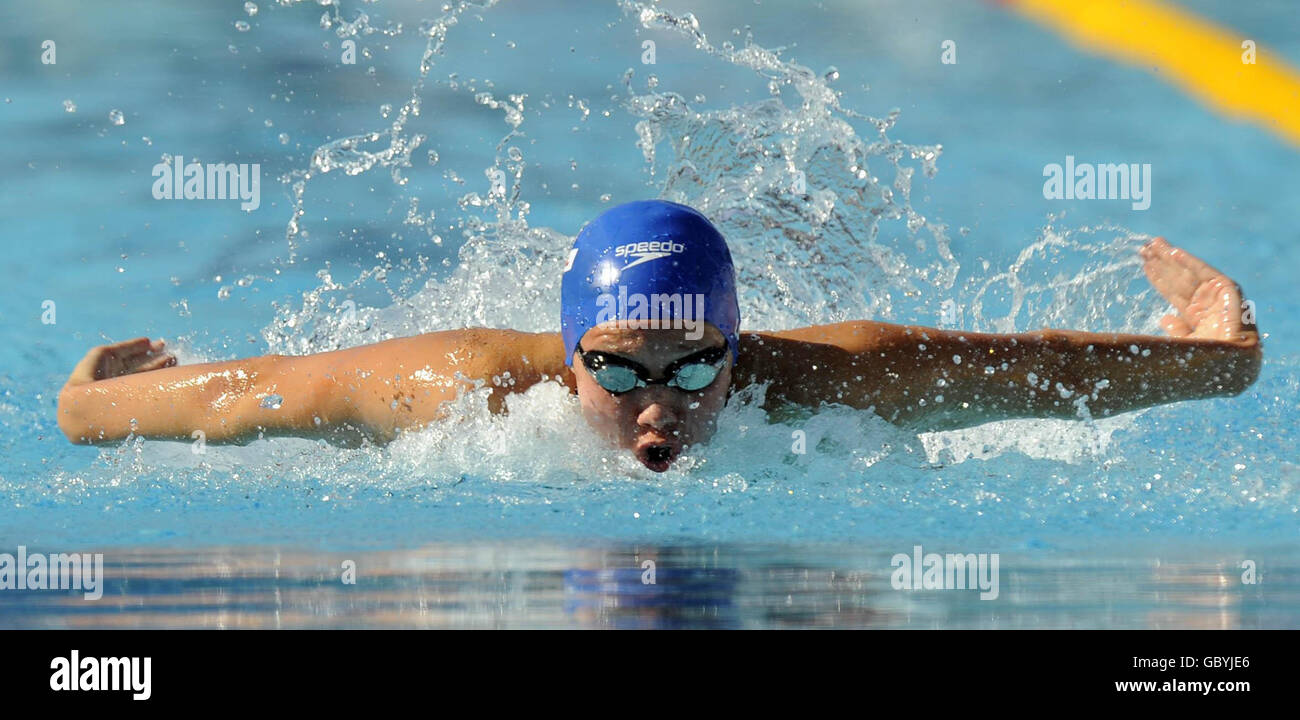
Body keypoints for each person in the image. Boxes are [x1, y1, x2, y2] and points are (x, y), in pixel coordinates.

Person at [56, 200, 1262, 472]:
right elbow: (238, 399)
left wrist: (1219, 346)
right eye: (618, 367)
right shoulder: (455, 393)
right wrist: (90, 399)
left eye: (696, 364)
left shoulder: (829, 383)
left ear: (740, 347)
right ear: (566, 349)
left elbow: (1052, 377)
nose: (660, 404)